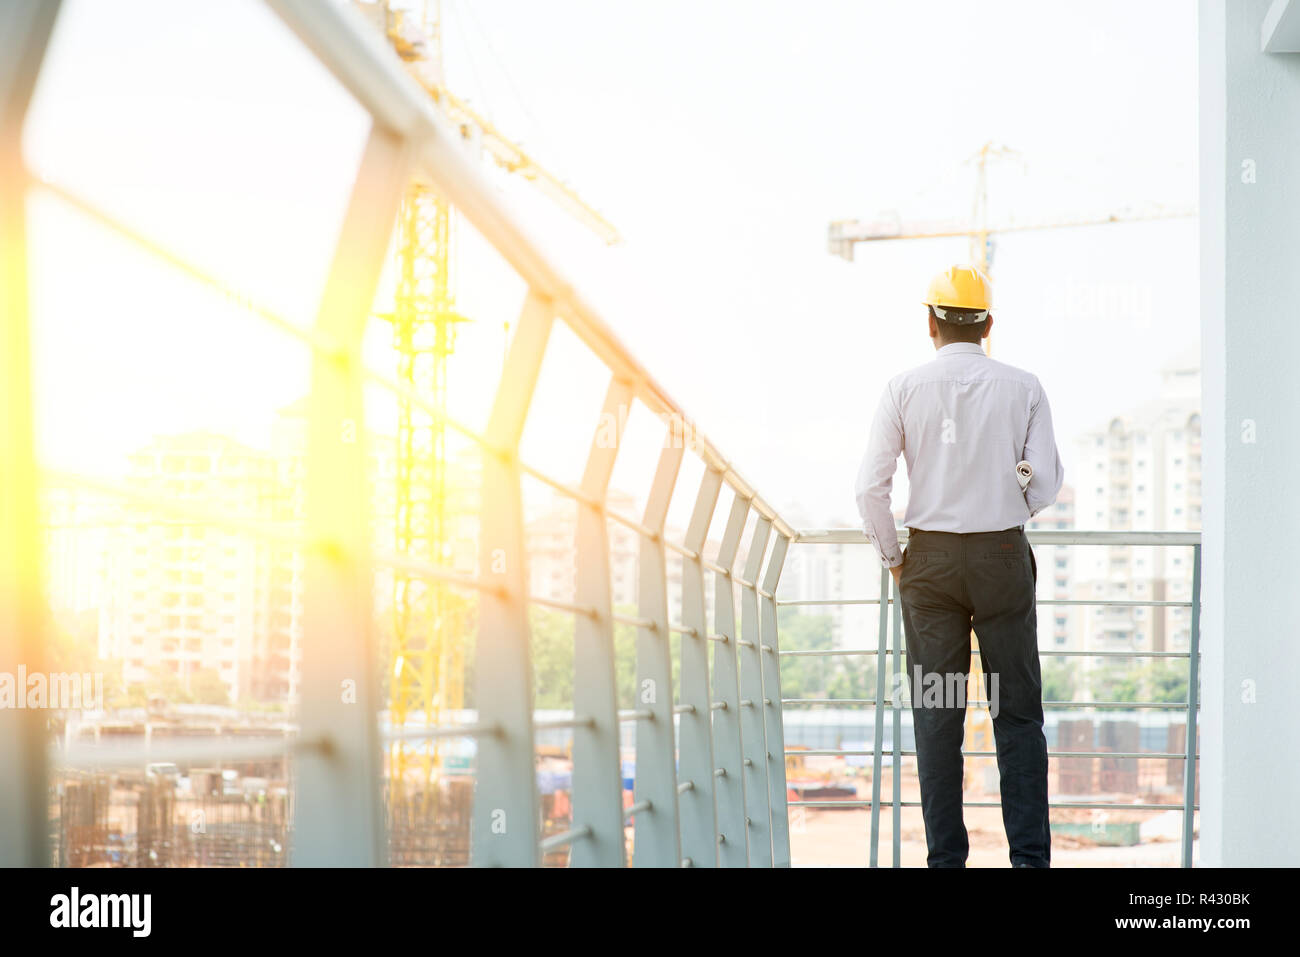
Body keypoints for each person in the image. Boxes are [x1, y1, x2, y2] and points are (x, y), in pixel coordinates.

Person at [854, 264, 1064, 868]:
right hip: (1002, 556)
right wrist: (1010, 504)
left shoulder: (903, 388)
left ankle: (947, 862)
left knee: (938, 717)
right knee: (1018, 716)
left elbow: (871, 489)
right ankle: (1029, 861)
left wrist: (896, 560)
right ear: (989, 324)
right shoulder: (1024, 386)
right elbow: (1045, 482)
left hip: (931, 565)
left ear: (930, 324)